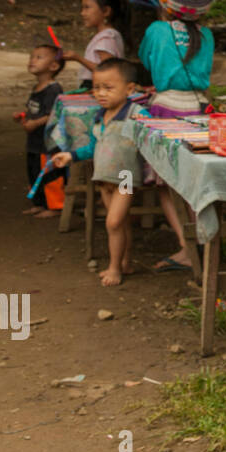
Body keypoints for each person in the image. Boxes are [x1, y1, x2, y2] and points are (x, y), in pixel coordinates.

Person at [137, 0, 217, 272]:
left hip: (166, 109)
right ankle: (207, 239)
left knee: (166, 183)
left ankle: (187, 248)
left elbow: (146, 59)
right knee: (194, 180)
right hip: (199, 111)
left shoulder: (156, 30)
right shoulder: (206, 35)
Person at [50, 58, 148, 286]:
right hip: (104, 179)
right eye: (97, 88)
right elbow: (95, 146)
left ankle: (114, 268)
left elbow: (153, 138)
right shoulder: (99, 117)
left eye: (108, 88)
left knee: (113, 223)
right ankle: (126, 261)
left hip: (125, 177)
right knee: (121, 224)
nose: (101, 93)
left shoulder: (137, 114)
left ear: (130, 88)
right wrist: (71, 155)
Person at [17, 43, 65, 218]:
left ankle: (55, 206)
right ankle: (39, 203)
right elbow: (35, 110)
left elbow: (53, 114)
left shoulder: (53, 89)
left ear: (53, 66)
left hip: (48, 142)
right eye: (32, 56)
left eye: (39, 57)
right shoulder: (37, 87)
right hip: (34, 142)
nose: (32, 60)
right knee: (34, 172)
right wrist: (22, 116)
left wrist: (35, 124)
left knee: (50, 174)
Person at [59, 0, 126, 89]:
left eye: (87, 8)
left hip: (97, 88)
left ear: (106, 11)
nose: (82, 13)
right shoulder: (106, 35)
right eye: (82, 8)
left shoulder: (106, 38)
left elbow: (107, 71)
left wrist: (78, 58)